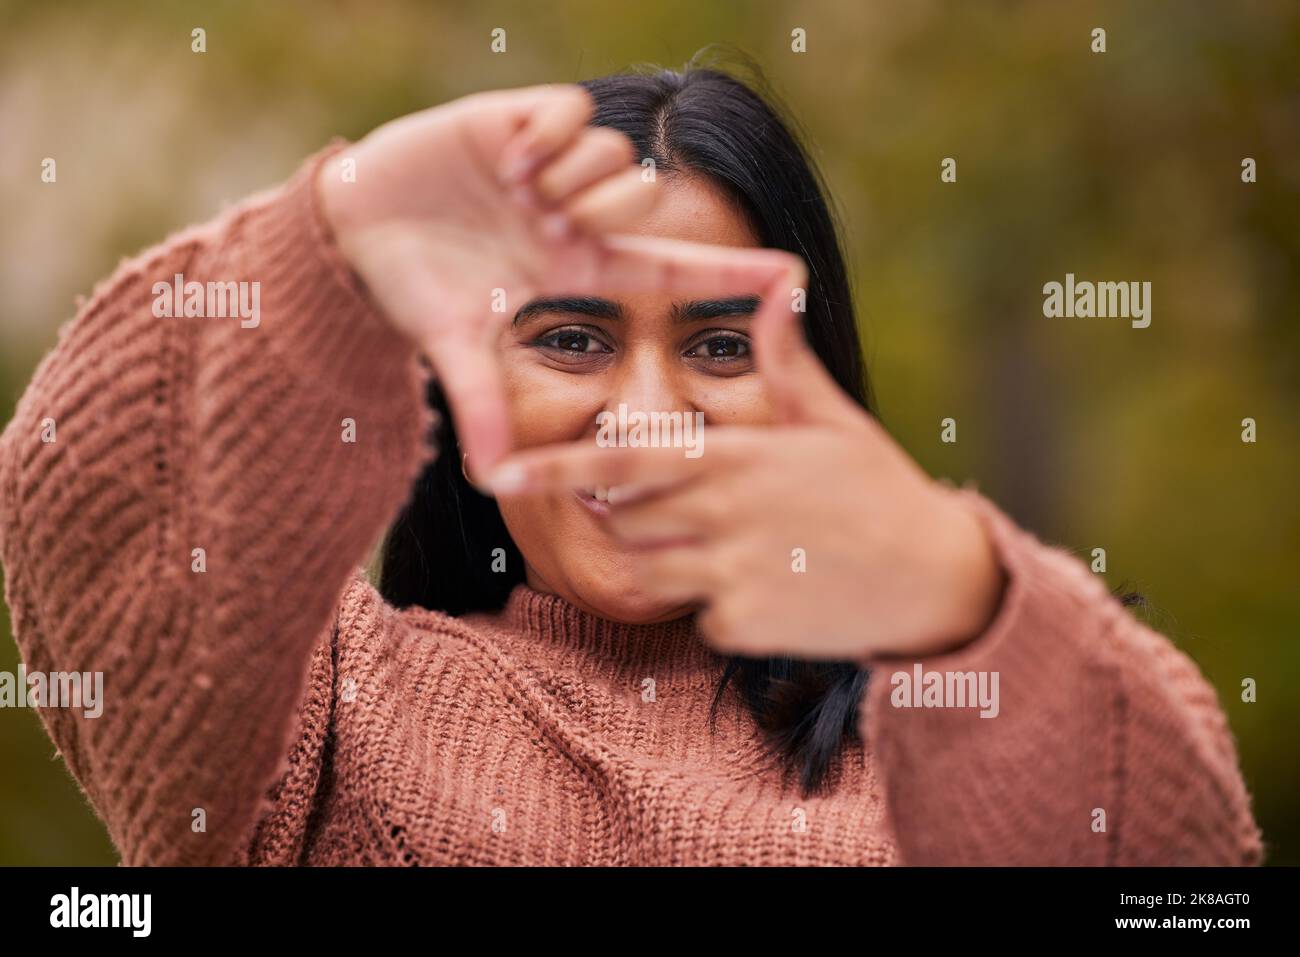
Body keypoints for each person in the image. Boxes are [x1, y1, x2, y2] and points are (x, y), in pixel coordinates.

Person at [0, 62, 1263, 866]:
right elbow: (96, 508)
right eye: (569, 338)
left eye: (721, 342)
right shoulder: (319, 707)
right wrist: (330, 232)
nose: (648, 415)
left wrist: (962, 596)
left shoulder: (974, 708)